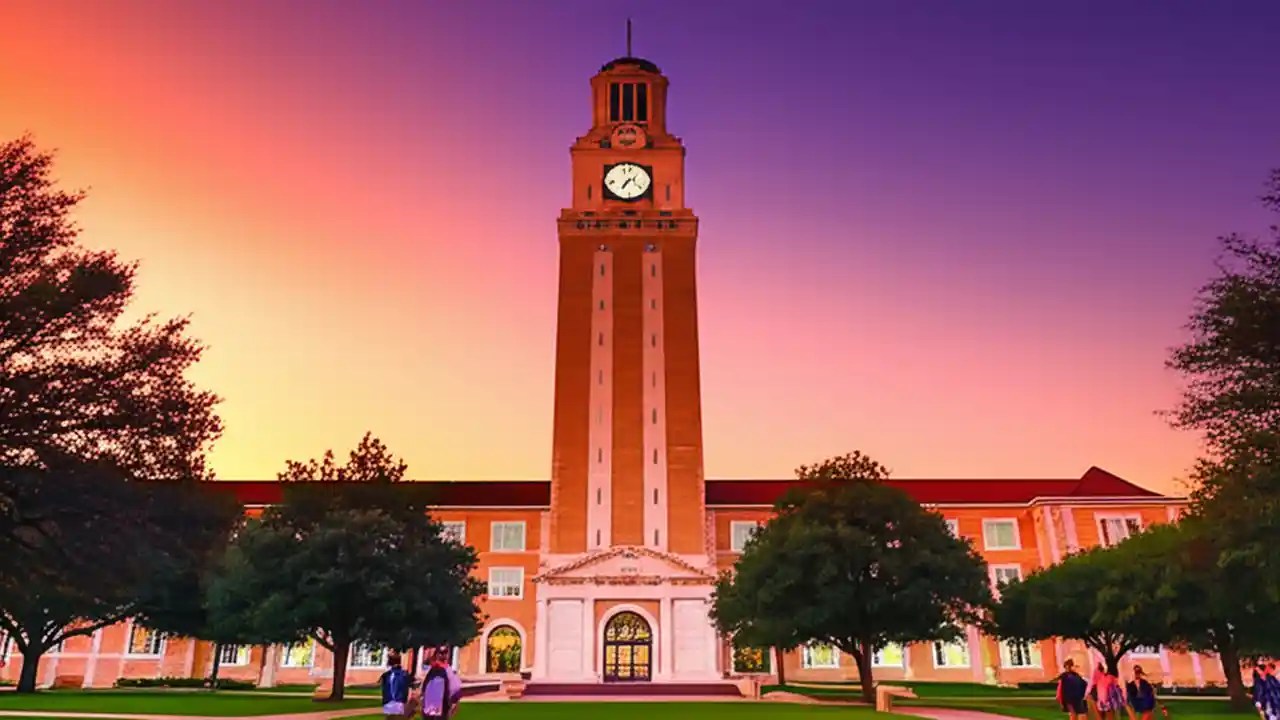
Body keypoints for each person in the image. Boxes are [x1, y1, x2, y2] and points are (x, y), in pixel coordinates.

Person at [420, 647, 456, 719]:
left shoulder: (445, 670)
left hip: (437, 705)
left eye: (445, 653)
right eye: (442, 653)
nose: (444, 655)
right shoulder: (437, 670)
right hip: (436, 705)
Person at [380, 651, 411, 720]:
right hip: (400, 701)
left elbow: (384, 689)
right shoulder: (405, 674)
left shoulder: (386, 675)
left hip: (389, 701)